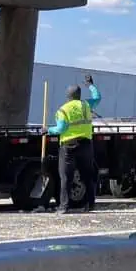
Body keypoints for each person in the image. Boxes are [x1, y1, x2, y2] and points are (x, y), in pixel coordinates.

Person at [47, 75, 101, 215]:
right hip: (86, 145)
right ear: (79, 95)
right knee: (87, 176)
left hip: (69, 146)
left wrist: (48, 130)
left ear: (67, 96)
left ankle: (64, 207)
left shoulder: (63, 110)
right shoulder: (86, 105)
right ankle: (90, 205)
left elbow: (60, 129)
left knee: (66, 177)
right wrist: (91, 85)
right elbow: (97, 97)